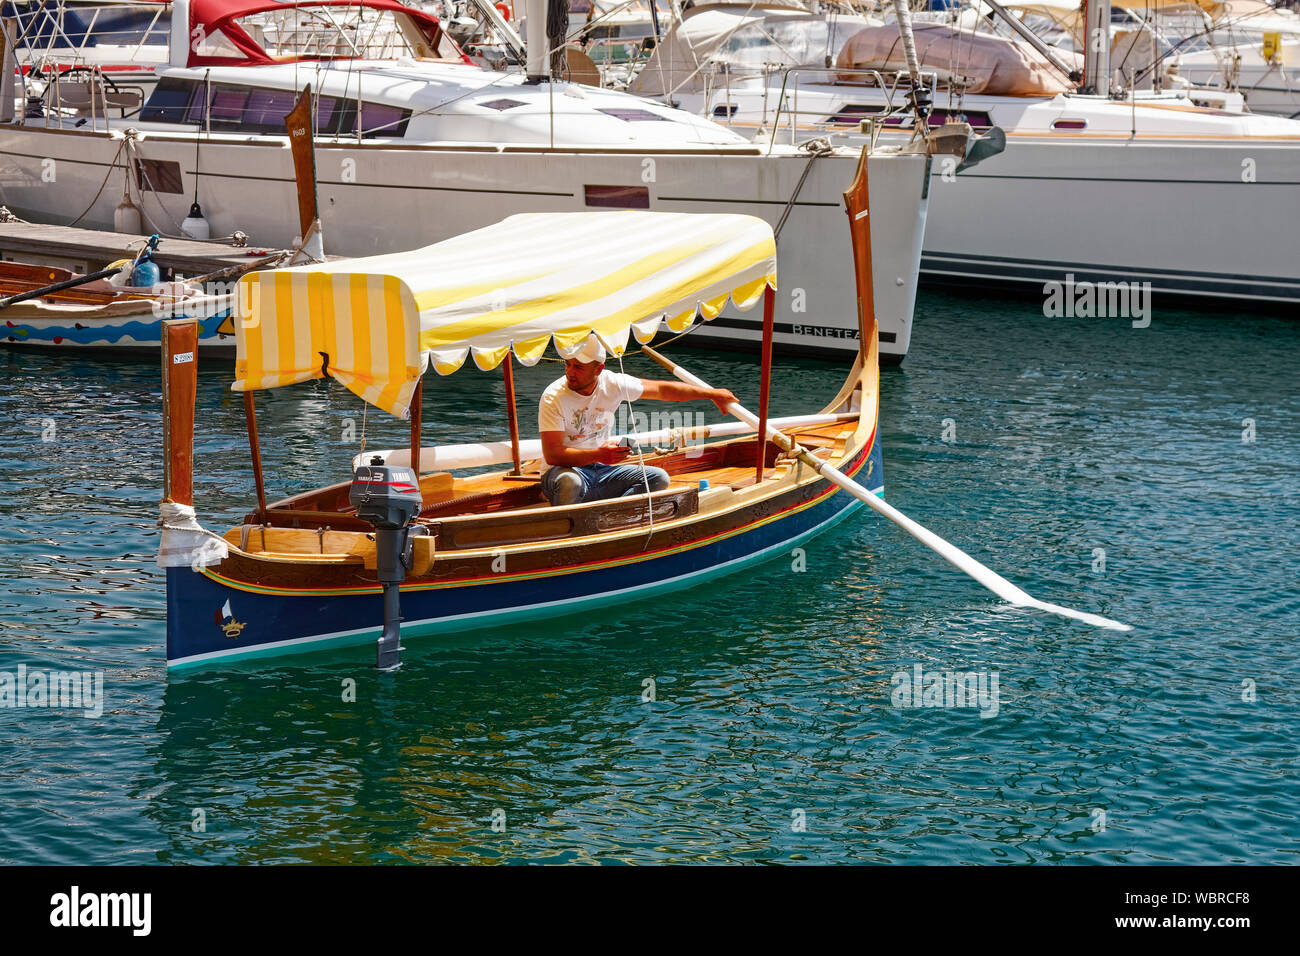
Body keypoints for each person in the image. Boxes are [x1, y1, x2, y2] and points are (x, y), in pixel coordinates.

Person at [538, 336, 737, 506]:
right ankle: (568, 532)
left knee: (658, 478)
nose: (570, 372)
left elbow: (662, 390)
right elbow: (553, 455)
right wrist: (599, 454)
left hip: (600, 469)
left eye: (578, 367)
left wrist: (711, 394)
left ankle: (611, 515)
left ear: (598, 369)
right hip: (562, 472)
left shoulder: (613, 383)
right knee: (570, 483)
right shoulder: (553, 396)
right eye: (568, 364)